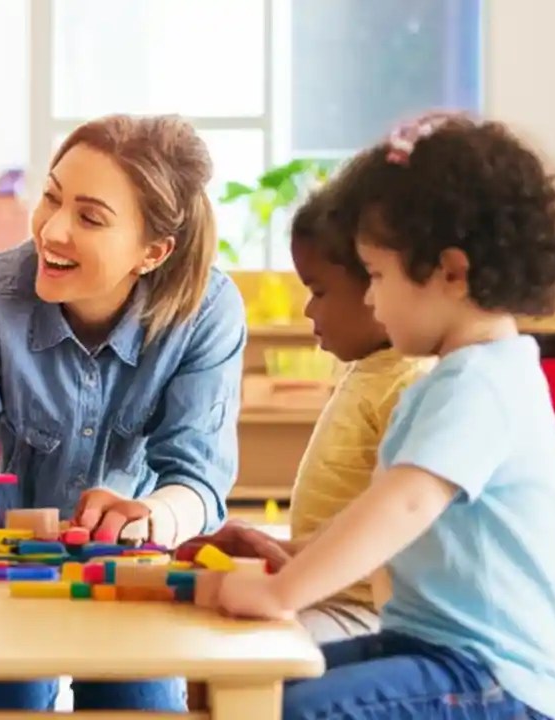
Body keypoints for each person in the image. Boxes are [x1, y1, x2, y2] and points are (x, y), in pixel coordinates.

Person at [197, 113, 555, 720]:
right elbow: (379, 516)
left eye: (377, 275)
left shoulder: (480, 385)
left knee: (290, 712)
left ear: (451, 273)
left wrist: (280, 593)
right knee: (261, 689)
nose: (371, 298)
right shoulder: (465, 377)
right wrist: (297, 555)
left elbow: (403, 506)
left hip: (493, 679)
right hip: (431, 646)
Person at [0, 114, 246, 712]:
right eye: (51, 198)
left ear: (152, 251)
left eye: (89, 217)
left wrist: (148, 516)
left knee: (136, 699)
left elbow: (197, 479)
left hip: (128, 573)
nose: (52, 230)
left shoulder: (206, 311)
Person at [181, 186, 430, 643]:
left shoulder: (407, 382)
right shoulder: (373, 370)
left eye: (319, 291)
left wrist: (285, 584)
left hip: (360, 611)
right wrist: (284, 551)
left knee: (235, 649)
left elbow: (401, 521)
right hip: (321, 589)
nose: (308, 309)